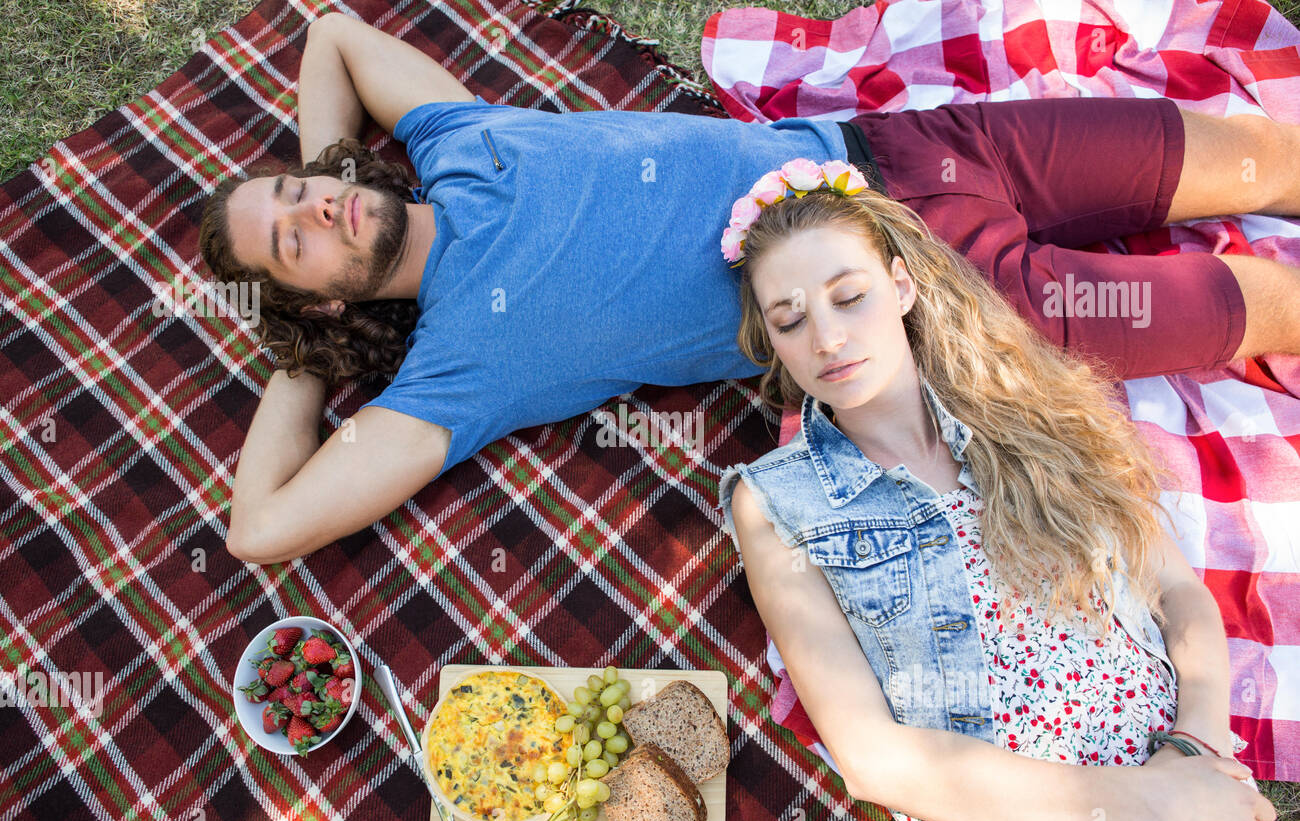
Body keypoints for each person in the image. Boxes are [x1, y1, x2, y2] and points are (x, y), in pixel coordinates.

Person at [203, 12, 1300, 566]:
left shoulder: (452, 139)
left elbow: (332, 33)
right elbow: (260, 529)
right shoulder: (455, 369)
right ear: (324, 301)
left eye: (297, 190)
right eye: (291, 242)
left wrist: (330, 168)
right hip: (937, 295)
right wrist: (305, 355)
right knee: (1264, 306)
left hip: (926, 147)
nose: (317, 209)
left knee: (1267, 157)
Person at [716, 159, 1285, 821]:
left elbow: (1176, 593)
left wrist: (1193, 755)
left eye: (849, 296)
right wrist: (1146, 805)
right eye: (790, 319)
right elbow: (874, 759)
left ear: (900, 286)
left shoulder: (1037, 412)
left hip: (1186, 790)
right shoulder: (777, 502)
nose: (826, 338)